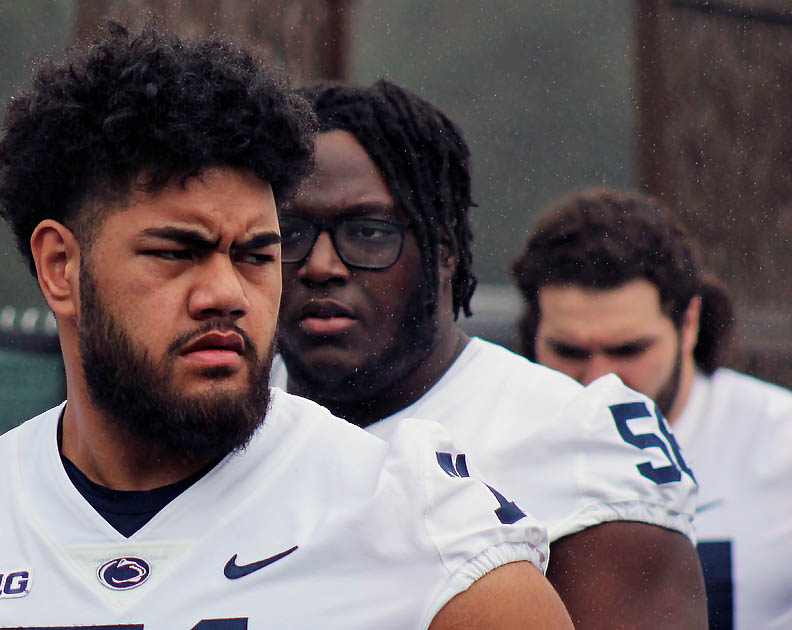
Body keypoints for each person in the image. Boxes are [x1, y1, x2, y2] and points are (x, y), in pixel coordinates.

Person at [0, 26, 573, 629]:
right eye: (177, 252)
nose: (226, 294)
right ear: (59, 267)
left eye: (256, 254)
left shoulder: (416, 526)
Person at [274, 80, 707, 629]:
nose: (321, 265)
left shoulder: (576, 437)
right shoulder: (225, 414)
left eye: (368, 232)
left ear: (445, 249)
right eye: (288, 232)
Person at [512, 187, 792, 630]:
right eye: (569, 351)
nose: (601, 380)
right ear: (532, 335)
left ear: (688, 324)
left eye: (628, 349)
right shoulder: (481, 451)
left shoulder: (782, 446)